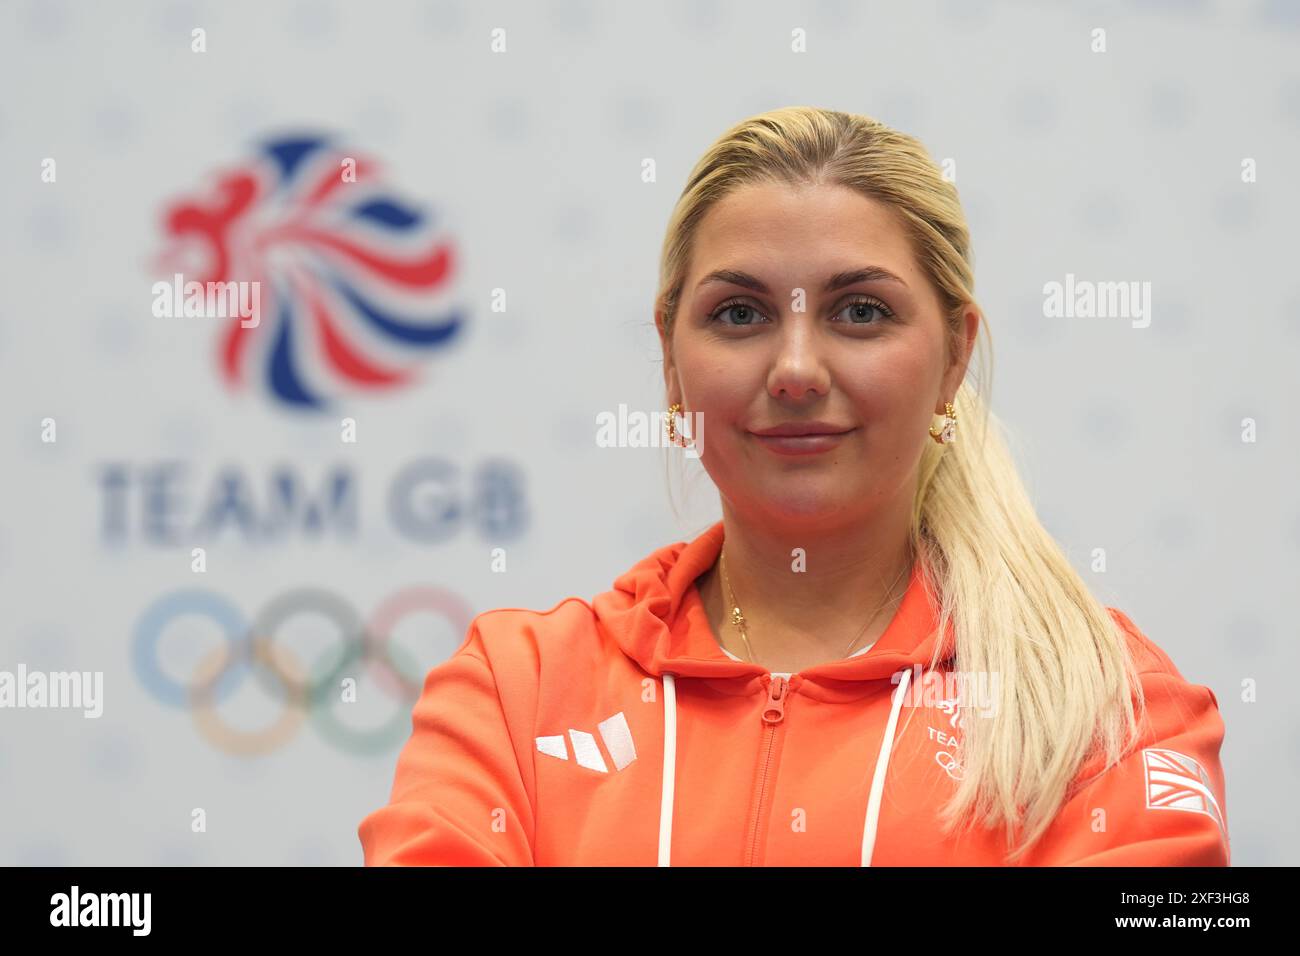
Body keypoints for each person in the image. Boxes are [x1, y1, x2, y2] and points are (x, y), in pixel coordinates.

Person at [357, 107, 1229, 866]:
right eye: (741, 314)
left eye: (861, 312)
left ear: (955, 356)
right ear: (670, 358)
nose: (798, 370)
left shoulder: (1107, 708)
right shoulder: (517, 693)